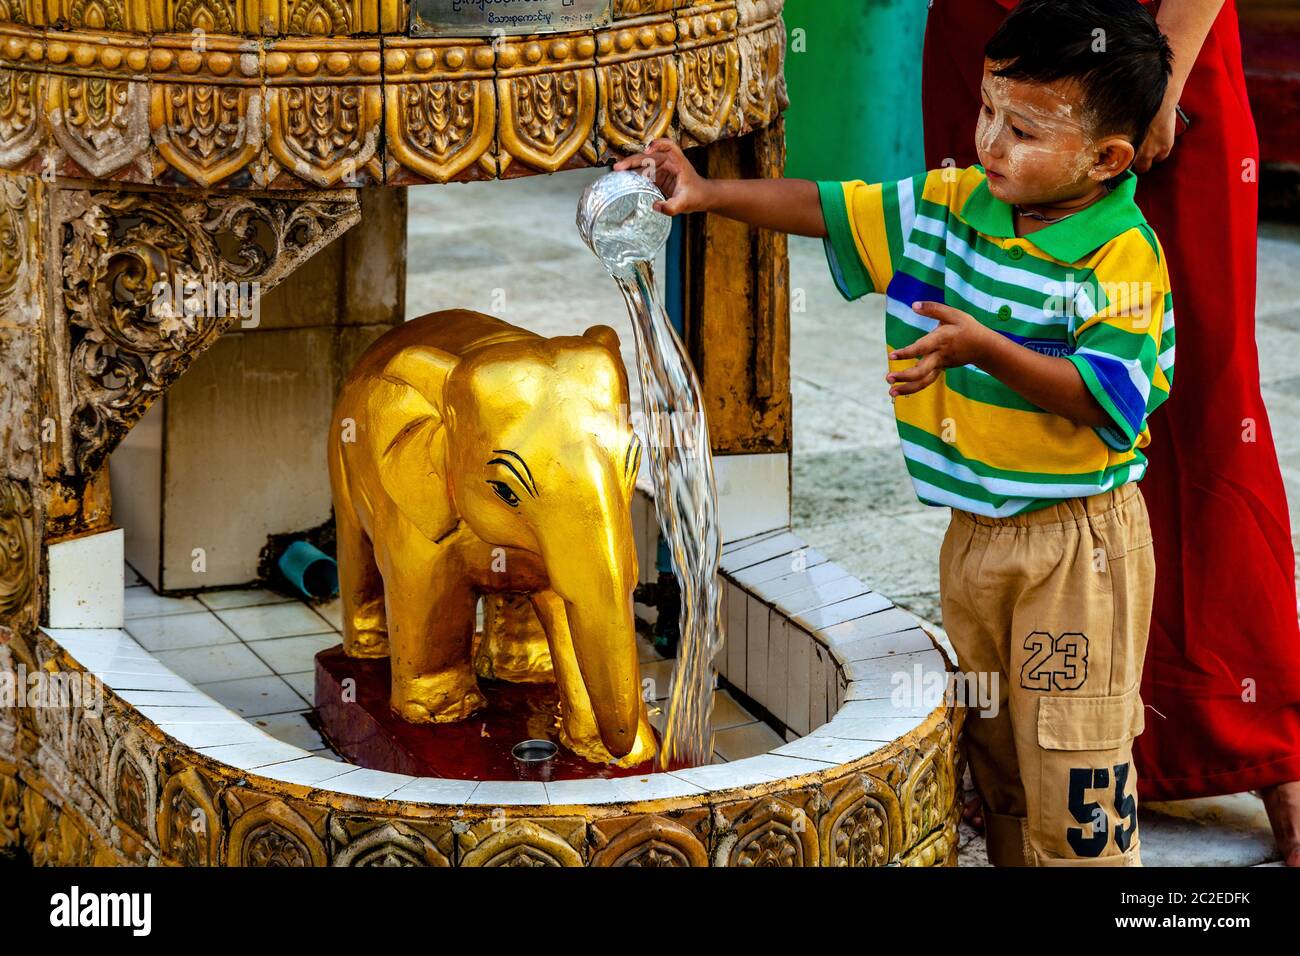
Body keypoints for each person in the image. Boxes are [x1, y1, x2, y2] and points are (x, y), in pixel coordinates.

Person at [618, 0, 1175, 865]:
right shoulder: (950, 205)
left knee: (1075, 773)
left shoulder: (1123, 259)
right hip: (972, 543)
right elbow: (830, 208)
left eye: (1022, 129)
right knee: (997, 763)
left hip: (1076, 554)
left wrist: (983, 348)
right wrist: (707, 193)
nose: (990, 140)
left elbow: (1101, 398)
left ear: (1107, 159)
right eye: (988, 109)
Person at [924, 0, 1300, 866]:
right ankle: (1033, 762)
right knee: (1007, 365)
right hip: (998, 42)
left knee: (1207, 393)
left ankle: (1265, 737)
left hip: (1159, 42)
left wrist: (1164, 72)